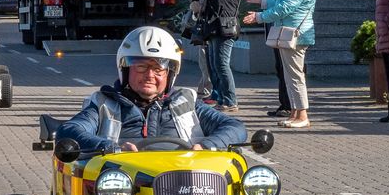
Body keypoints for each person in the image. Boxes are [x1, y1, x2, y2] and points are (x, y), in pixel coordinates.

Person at [56, 26, 246, 152]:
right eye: (141, 67)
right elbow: (69, 130)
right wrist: (111, 147)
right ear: (125, 70)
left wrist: (205, 146)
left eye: (158, 69)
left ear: (170, 75)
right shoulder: (103, 104)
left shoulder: (187, 102)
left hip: (185, 185)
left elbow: (235, 127)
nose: (150, 75)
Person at [243, 0, 316, 128]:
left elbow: (285, 8)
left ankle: (302, 115)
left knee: (295, 76)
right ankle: (295, 113)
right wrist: (263, 2)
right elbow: (279, 2)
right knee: (290, 75)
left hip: (294, 35)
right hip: (289, 32)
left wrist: (259, 17)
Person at [180, 0, 243, 112]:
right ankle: (222, 98)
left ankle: (230, 100)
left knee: (222, 65)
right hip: (215, 27)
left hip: (225, 27)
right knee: (215, 65)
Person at [245, 0, 292, 118]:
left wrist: (261, 4)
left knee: (284, 69)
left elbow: (280, 6)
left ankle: (287, 105)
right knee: (280, 69)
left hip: (281, 30)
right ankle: (285, 104)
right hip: (275, 30)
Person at [173, 0, 216, 103]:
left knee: (208, 58)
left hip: (210, 22)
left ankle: (208, 89)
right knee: (203, 58)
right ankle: (205, 87)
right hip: (202, 21)